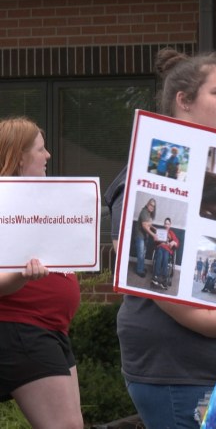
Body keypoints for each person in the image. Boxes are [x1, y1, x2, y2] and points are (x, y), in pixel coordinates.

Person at [105, 48, 216, 428]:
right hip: (180, 370)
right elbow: (138, 265)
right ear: (184, 101)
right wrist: (200, 320)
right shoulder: (155, 166)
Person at [0, 117, 83, 429]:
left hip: (52, 330)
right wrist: (21, 276)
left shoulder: (38, 203)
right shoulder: (3, 206)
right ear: (19, 157)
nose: (48, 155)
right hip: (21, 329)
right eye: (40, 149)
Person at [151, 217, 178, 291]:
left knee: (165, 256)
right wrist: (155, 238)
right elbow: (155, 242)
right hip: (160, 247)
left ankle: (163, 278)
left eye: (168, 224)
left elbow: (177, 243)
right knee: (160, 254)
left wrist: (174, 242)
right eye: (165, 223)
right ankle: (156, 276)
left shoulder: (171, 233)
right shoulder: (160, 231)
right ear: (164, 224)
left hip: (167, 249)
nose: (166, 225)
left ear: (170, 225)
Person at [133, 198, 157, 278]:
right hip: (140, 235)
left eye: (153, 206)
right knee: (140, 254)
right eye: (150, 205)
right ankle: (139, 270)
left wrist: (155, 229)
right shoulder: (144, 212)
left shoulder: (149, 214)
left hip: (144, 236)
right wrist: (154, 235)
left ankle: (141, 267)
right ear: (147, 204)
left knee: (143, 253)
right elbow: (144, 226)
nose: (151, 207)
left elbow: (148, 224)